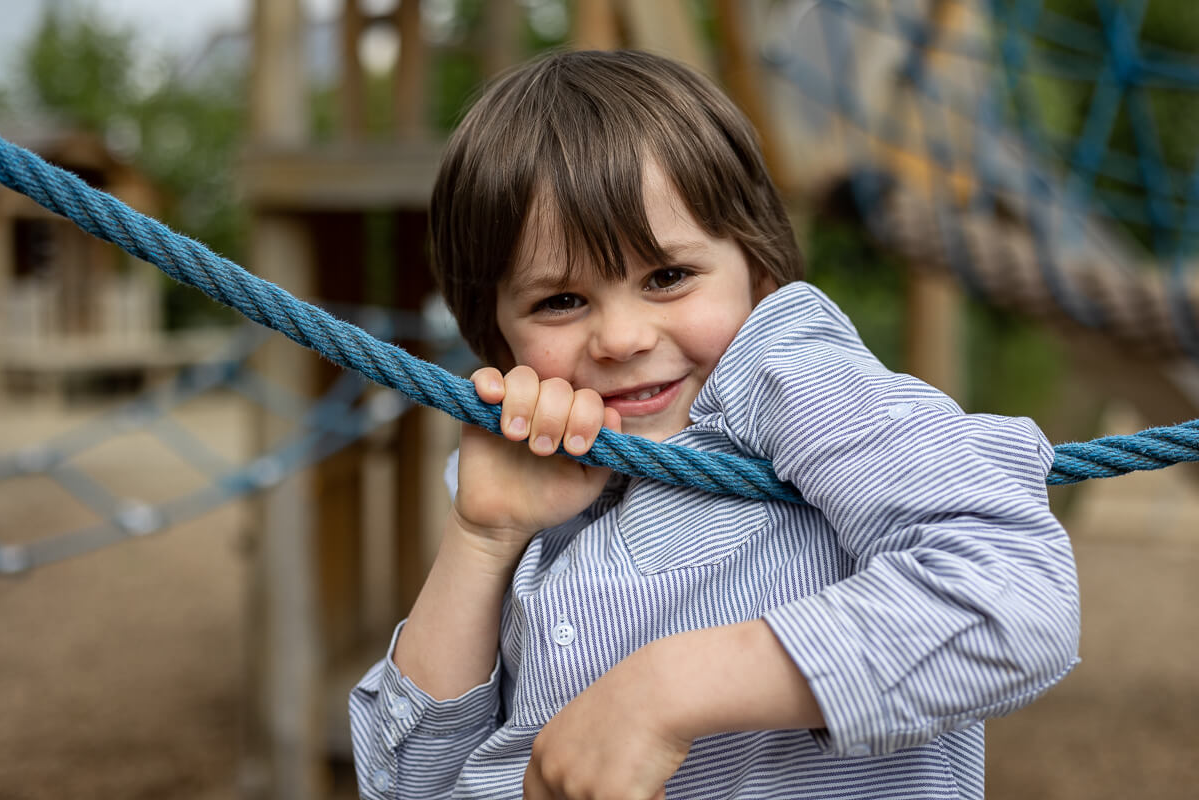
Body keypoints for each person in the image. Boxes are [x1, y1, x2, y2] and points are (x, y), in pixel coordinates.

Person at [348, 49, 1080, 800]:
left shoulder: (792, 377)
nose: (621, 338)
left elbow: (1014, 592)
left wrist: (664, 691)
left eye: (667, 277)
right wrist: (482, 540)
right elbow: (405, 785)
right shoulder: (524, 474)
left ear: (758, 272)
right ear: (496, 333)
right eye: (559, 302)